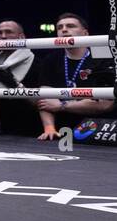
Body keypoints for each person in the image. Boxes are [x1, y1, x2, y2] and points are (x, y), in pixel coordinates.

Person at [31, 13, 116, 141]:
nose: (64, 29)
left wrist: (62, 105)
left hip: (100, 130)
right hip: (62, 130)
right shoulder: (51, 59)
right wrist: (49, 128)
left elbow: (106, 104)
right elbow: (46, 100)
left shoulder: (103, 55)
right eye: (59, 28)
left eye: (70, 26)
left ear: (85, 34)